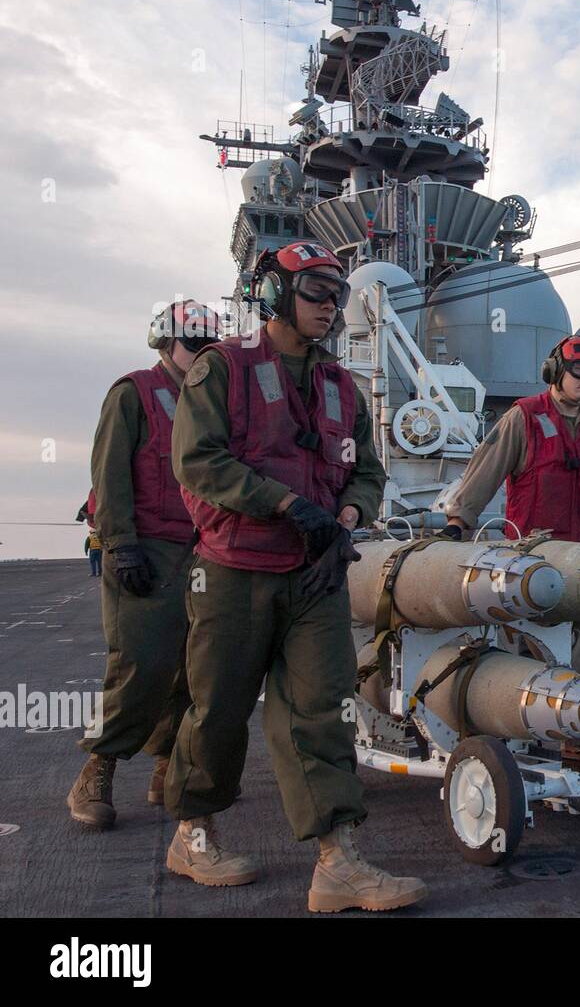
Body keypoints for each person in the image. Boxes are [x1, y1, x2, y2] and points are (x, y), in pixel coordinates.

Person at [169, 241, 426, 913]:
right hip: (235, 571)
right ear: (275, 294)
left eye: (337, 295)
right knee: (217, 708)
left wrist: (344, 517)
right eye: (315, 292)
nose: (331, 307)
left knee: (323, 712)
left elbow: (368, 471)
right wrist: (288, 506)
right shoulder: (221, 370)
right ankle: (194, 833)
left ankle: (338, 860)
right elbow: (200, 463)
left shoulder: (342, 387)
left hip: (316, 574)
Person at [66, 301, 219, 830]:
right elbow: (109, 472)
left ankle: (165, 768)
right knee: (141, 664)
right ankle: (97, 767)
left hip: (204, 552)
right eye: (194, 344)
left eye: (210, 346)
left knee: (193, 670)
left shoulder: (213, 400)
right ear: (164, 343)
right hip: (146, 548)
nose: (203, 354)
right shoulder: (132, 393)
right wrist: (120, 544)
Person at [442, 336, 580, 698]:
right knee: (571, 658)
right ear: (555, 371)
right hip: (543, 563)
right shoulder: (525, 418)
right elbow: (483, 474)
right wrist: (457, 524)